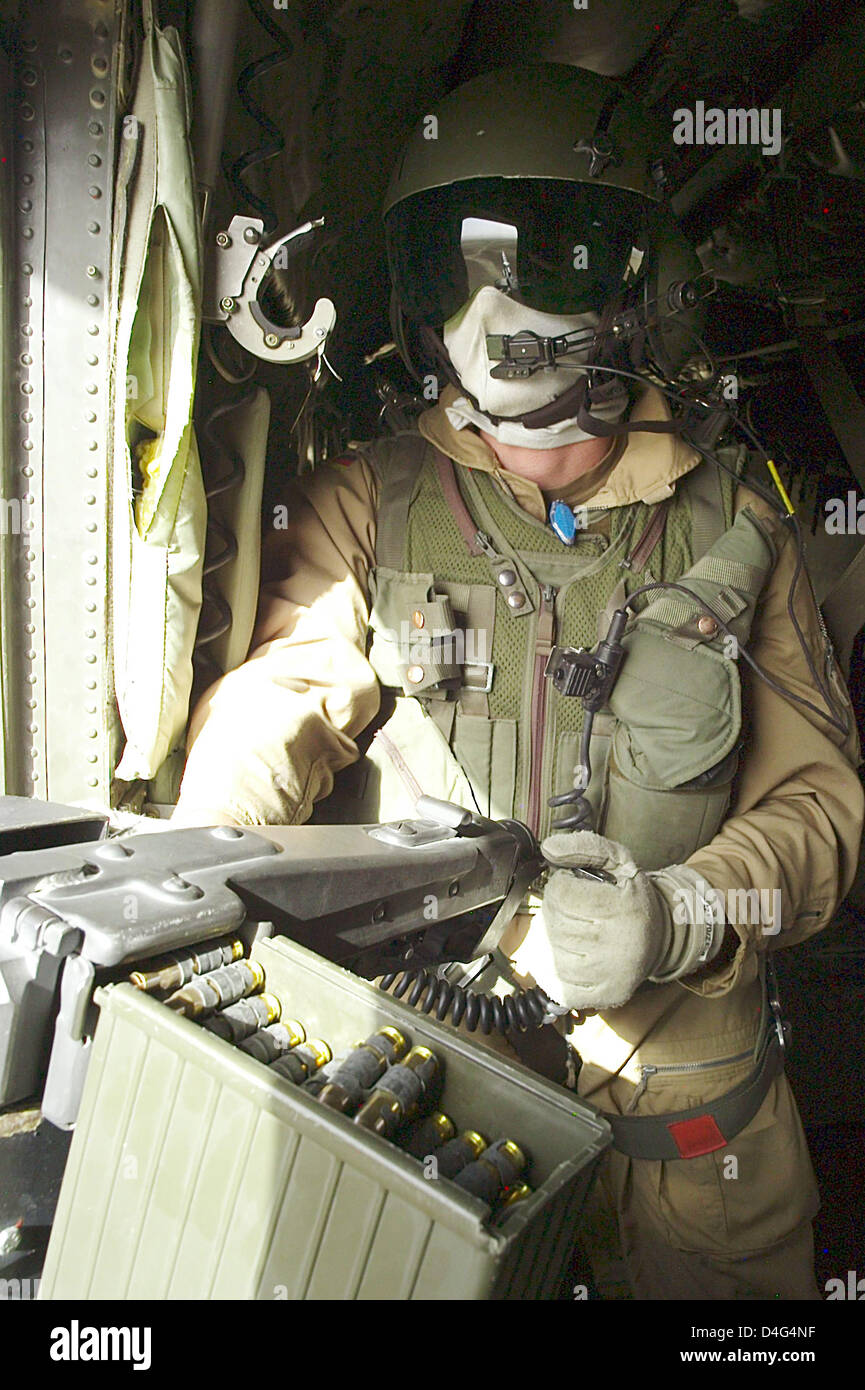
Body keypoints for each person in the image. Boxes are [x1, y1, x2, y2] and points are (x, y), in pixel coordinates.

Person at [173, 64, 863, 1300]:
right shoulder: (365, 502)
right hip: (427, 1079)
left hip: (684, 1123)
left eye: (543, 262)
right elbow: (277, 707)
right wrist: (197, 885)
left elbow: (821, 817)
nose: (494, 315)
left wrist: (683, 912)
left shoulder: (731, 522)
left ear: (633, 289)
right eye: (458, 270)